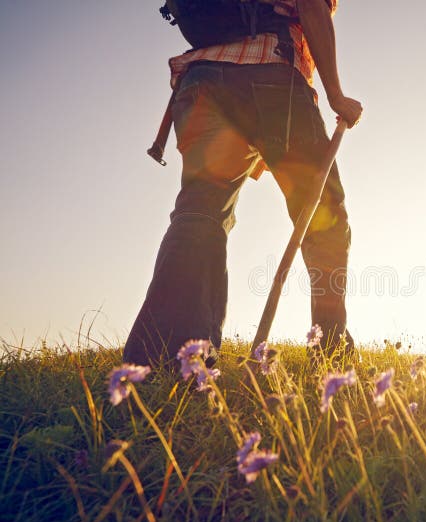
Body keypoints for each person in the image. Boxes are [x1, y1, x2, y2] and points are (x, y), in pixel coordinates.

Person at [123, 0, 362, 368]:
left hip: (202, 82)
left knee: (201, 211)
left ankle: (170, 357)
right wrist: (336, 95)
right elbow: (312, 7)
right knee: (323, 214)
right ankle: (331, 351)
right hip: (272, 73)